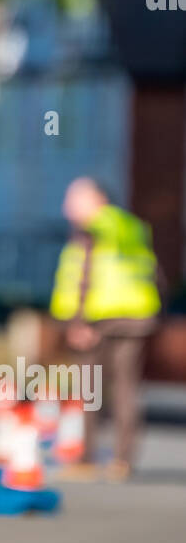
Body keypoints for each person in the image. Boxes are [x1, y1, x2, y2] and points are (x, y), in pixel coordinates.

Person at [50, 177, 161, 480]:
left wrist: (78, 322)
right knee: (126, 389)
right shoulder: (131, 226)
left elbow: (84, 276)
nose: (66, 207)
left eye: (73, 199)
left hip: (100, 318)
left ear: (96, 199)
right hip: (137, 316)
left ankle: (86, 459)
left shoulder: (93, 229)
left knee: (90, 390)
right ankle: (122, 461)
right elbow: (153, 272)